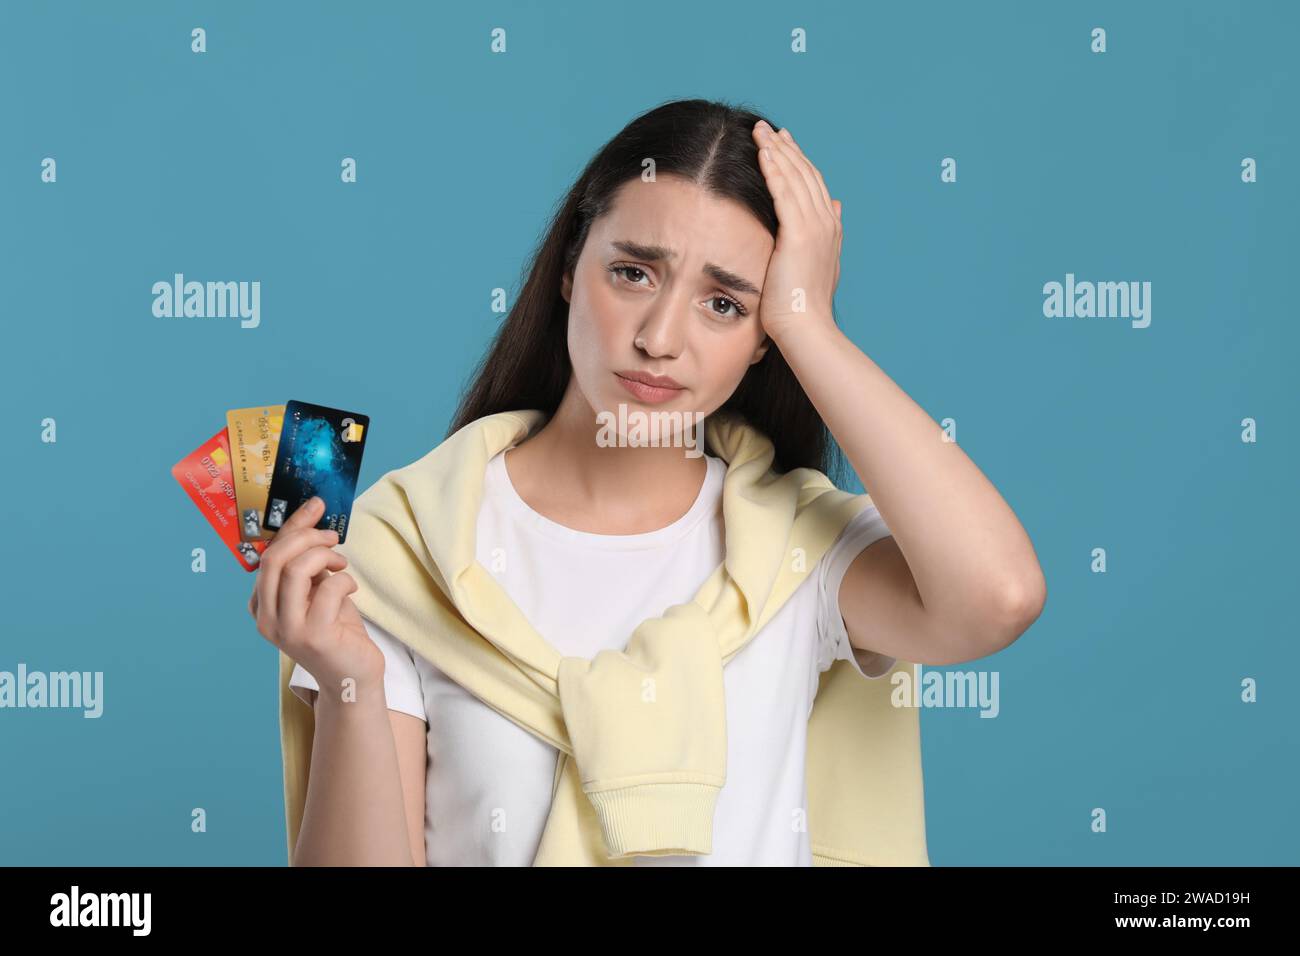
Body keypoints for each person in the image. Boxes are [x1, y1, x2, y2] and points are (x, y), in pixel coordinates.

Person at [248, 98, 1047, 867]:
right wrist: (349, 682)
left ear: (763, 339)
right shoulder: (402, 544)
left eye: (727, 304)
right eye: (632, 272)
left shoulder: (796, 553)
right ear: (569, 270)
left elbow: (997, 598)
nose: (661, 338)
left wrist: (810, 322)